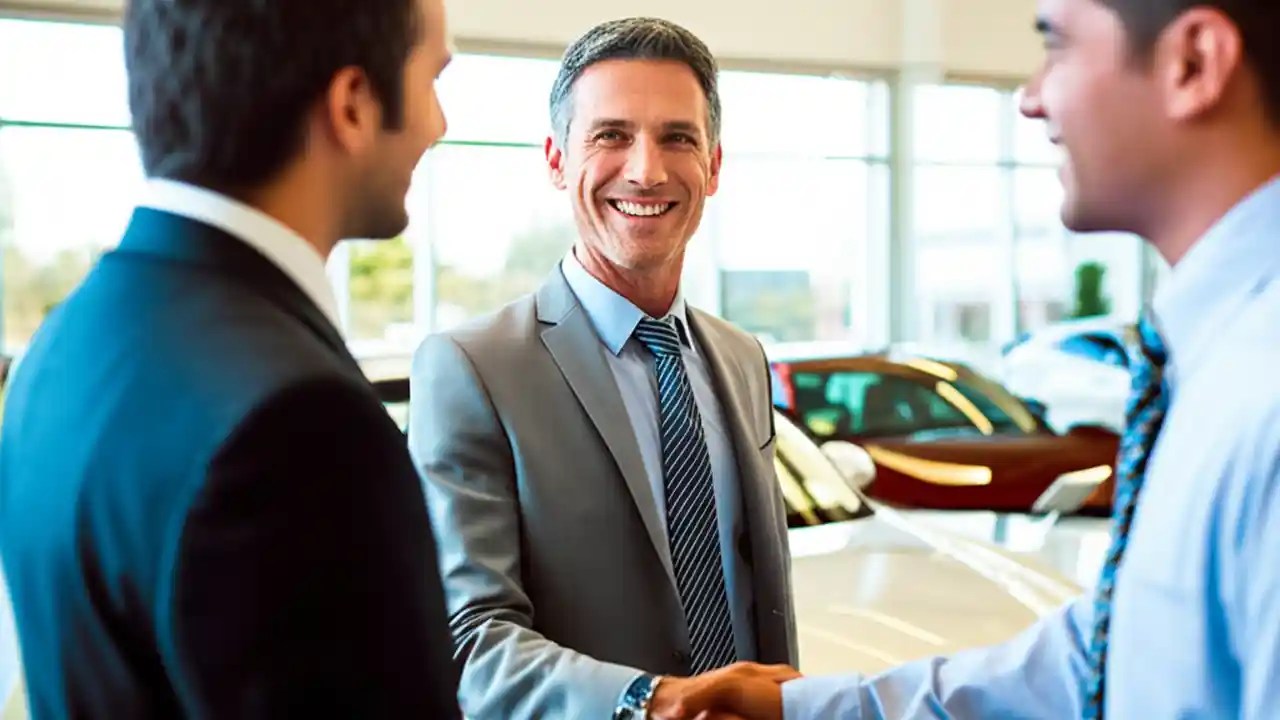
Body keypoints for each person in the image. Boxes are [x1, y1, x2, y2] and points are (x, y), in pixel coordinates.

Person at [681, 0, 1280, 718]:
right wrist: (803, 707)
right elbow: (1110, 654)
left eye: (1058, 47)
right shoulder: (1211, 357)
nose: (1030, 98)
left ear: (1194, 63)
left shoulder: (1260, 388)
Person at [0, 0, 462, 717]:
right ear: (352, 105)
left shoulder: (66, 343)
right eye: (433, 80)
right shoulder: (302, 424)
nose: (440, 124)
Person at [408, 16, 801, 720]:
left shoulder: (741, 357)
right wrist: (653, 702)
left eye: (678, 138)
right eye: (611, 135)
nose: (646, 170)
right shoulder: (473, 369)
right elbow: (468, 640)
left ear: (713, 165)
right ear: (557, 160)